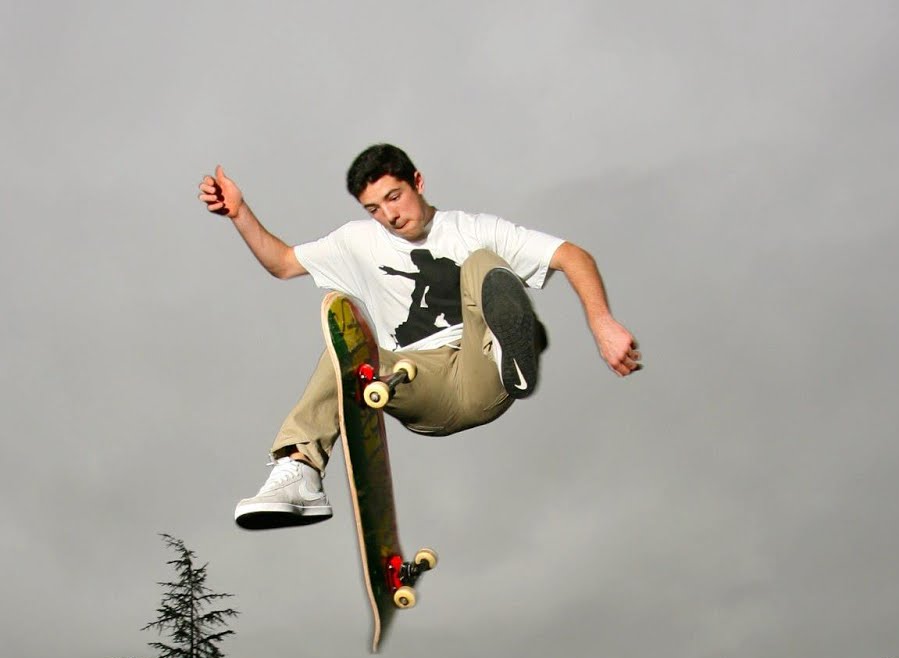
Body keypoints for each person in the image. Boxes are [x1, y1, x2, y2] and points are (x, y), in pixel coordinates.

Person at [198, 143, 641, 527]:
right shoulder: (358, 242)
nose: (390, 215)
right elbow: (283, 263)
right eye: (375, 208)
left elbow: (571, 255)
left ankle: (512, 347)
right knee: (345, 352)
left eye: (395, 197)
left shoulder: (473, 228)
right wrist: (239, 213)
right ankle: (300, 473)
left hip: (479, 370)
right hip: (417, 383)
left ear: (417, 181)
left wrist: (601, 323)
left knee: (483, 263)